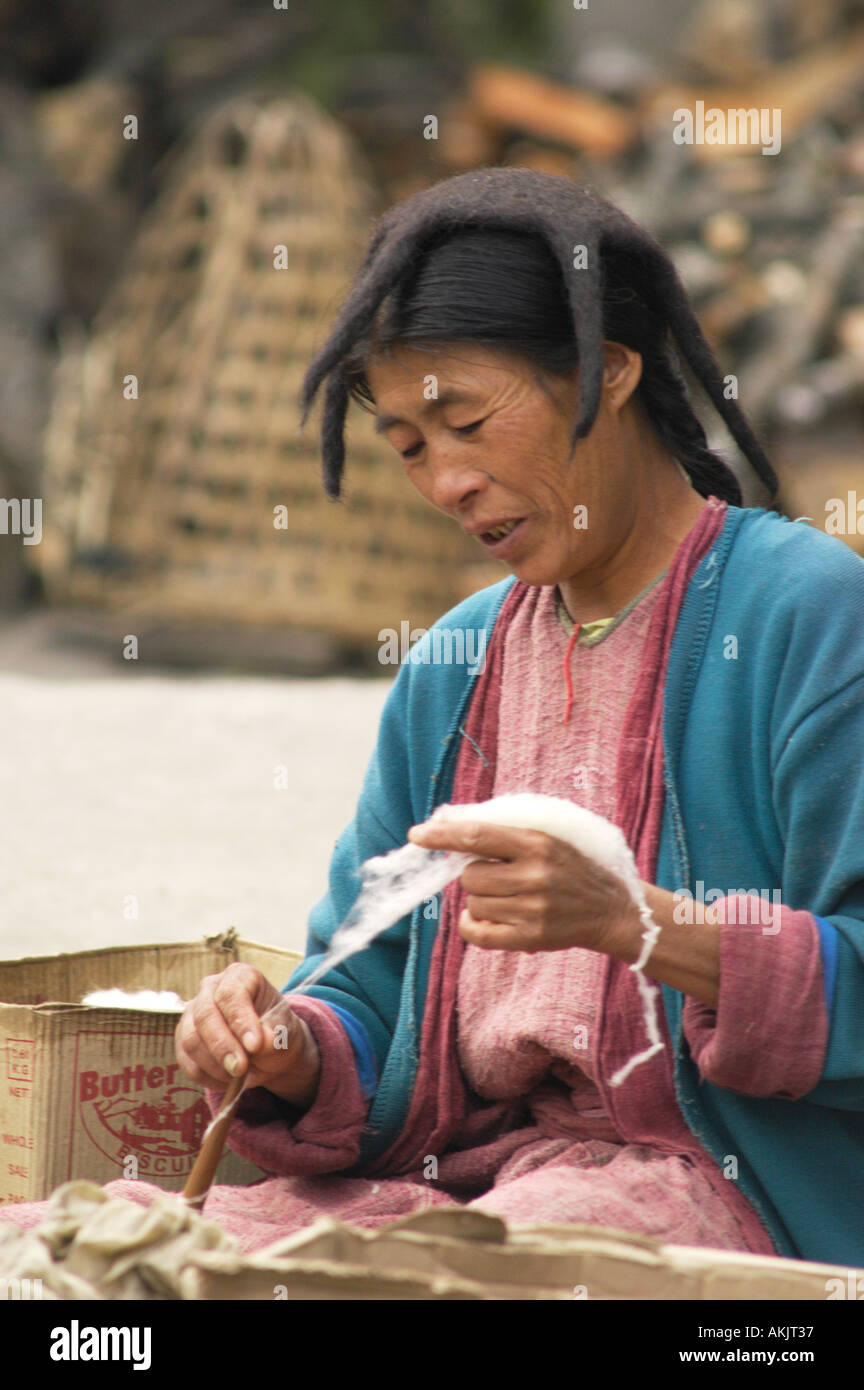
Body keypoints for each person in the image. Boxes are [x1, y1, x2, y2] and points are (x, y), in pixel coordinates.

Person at [7, 169, 864, 1264]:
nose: (448, 481)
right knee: (78, 1254)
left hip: (720, 1204)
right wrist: (287, 1048)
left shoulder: (804, 614)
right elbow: (364, 984)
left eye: (465, 420)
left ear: (606, 372)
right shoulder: (456, 661)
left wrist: (639, 926)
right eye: (409, 446)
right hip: (481, 1184)